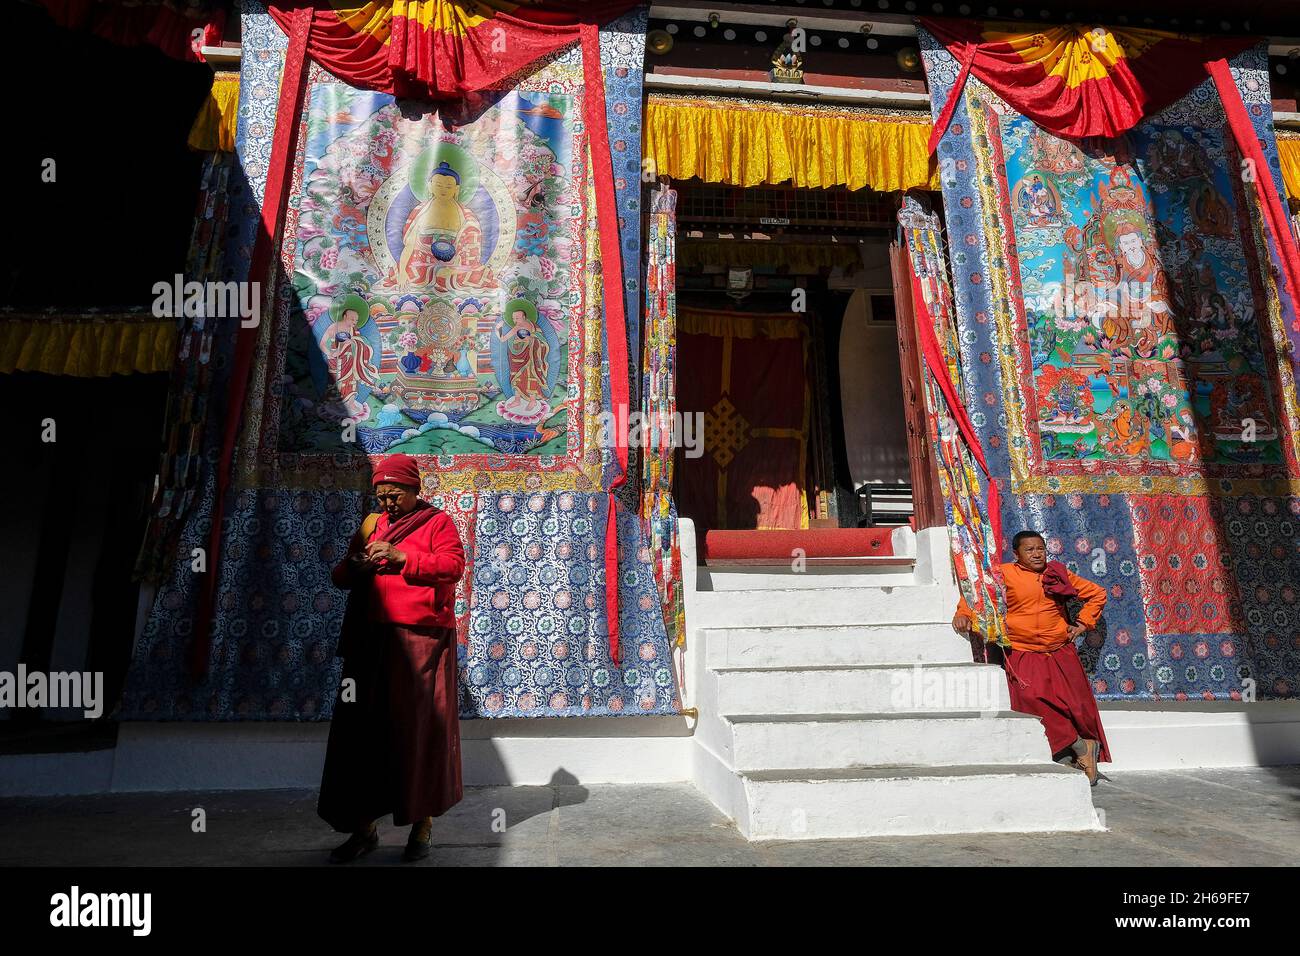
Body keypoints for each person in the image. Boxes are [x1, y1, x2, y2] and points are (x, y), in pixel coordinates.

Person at [318, 453, 466, 862]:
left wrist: (405, 559)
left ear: (414, 489)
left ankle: (422, 825)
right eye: (381, 496)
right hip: (370, 641)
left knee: (416, 733)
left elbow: (453, 565)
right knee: (361, 735)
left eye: (395, 495)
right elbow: (339, 577)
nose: (388, 504)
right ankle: (362, 828)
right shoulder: (371, 526)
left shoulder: (437, 522)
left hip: (421, 642)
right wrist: (358, 564)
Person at [952, 530, 1111, 785]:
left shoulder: (1056, 573)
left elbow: (1097, 594)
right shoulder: (1004, 573)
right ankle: (1081, 747)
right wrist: (963, 613)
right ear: (1016, 554)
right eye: (1030, 550)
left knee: (1075, 706)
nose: (1037, 554)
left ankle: (1074, 753)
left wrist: (1082, 624)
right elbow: (975, 594)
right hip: (1023, 650)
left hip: (1059, 649)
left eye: (1040, 549)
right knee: (1030, 701)